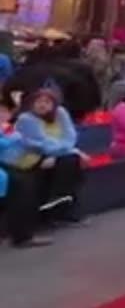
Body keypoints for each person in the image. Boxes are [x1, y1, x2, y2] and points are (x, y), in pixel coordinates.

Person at [6, 83, 88, 225]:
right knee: (70, 160)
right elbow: (39, 144)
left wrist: (65, 152)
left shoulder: (61, 113)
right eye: (38, 102)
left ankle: (59, 201)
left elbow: (70, 137)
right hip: (30, 157)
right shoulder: (26, 119)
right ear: (31, 104)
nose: (42, 105)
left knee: (71, 161)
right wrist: (69, 151)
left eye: (47, 102)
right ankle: (59, 202)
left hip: (56, 155)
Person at [1, 96, 50, 247]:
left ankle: (22, 234)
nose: (2, 114)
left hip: (9, 163)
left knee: (26, 181)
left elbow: (23, 143)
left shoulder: (8, 128)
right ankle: (20, 235)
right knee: (18, 182)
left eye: (4, 111)